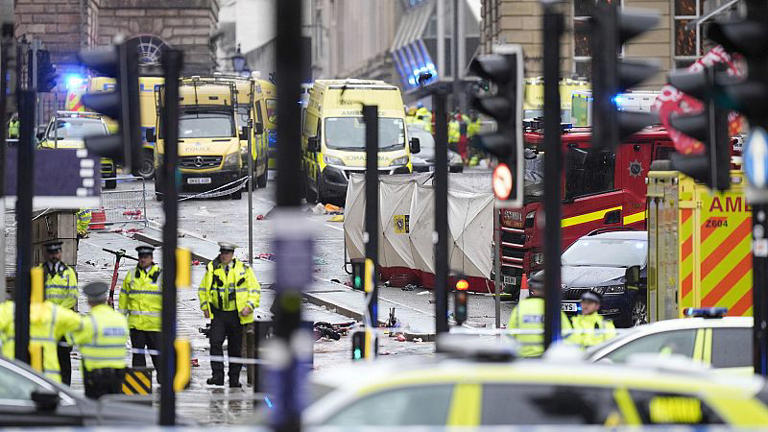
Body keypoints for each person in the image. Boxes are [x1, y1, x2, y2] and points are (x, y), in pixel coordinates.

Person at [199, 242, 261, 388]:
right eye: (222, 253)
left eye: (227, 253)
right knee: (215, 343)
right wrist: (205, 306)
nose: (224, 256)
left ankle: (234, 379)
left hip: (237, 315)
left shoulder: (243, 269)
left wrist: (249, 306)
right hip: (218, 313)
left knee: (235, 348)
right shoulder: (213, 268)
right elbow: (203, 289)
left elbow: (254, 290)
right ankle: (217, 376)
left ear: (232, 255)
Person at [0, 299, 83, 383]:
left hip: (13, 378)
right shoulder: (54, 312)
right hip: (49, 381)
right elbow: (82, 325)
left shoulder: (7, 311)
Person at [73, 282, 129, 399]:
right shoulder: (120, 319)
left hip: (96, 375)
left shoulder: (89, 322)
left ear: (89, 302)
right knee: (115, 405)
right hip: (118, 373)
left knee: (95, 406)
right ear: (105, 299)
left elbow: (74, 340)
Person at [38, 240, 79, 385]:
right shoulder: (39, 271)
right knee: (44, 357)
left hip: (62, 323)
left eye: (56, 252)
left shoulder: (68, 273)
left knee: (64, 358)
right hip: (44, 322)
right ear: (46, 254)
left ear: (60, 253)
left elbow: (72, 296)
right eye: (51, 253)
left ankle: (65, 388)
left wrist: (56, 313)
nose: (54, 256)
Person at [118, 246, 162, 374]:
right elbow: (124, 298)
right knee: (138, 358)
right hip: (136, 325)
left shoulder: (160, 275)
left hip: (155, 326)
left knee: (159, 357)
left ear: (151, 258)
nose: (143, 260)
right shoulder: (131, 274)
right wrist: (121, 319)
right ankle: (139, 381)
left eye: (145, 257)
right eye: (141, 257)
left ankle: (165, 381)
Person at [507, 273, 572, 357]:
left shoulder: (520, 307)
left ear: (533, 289)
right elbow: (568, 336)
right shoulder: (553, 308)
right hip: (548, 359)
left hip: (524, 359)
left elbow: (509, 336)